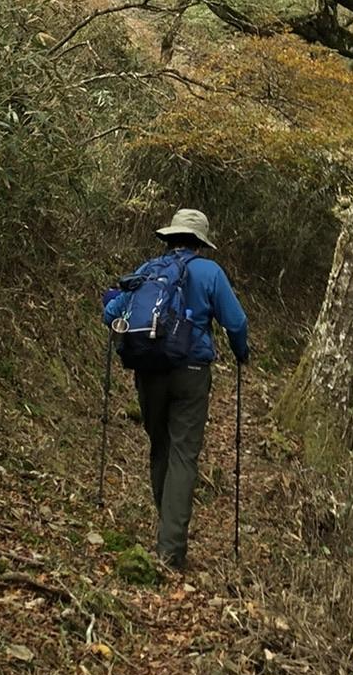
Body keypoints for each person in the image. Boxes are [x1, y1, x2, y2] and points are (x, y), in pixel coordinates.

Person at [102, 207, 249, 571]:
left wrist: (113, 301)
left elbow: (111, 314)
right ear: (200, 242)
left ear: (169, 238)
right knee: (184, 453)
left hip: (149, 369)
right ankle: (170, 549)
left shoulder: (149, 269)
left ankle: (165, 519)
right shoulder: (209, 272)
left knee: (160, 445)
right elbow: (236, 322)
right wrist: (241, 354)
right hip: (192, 371)